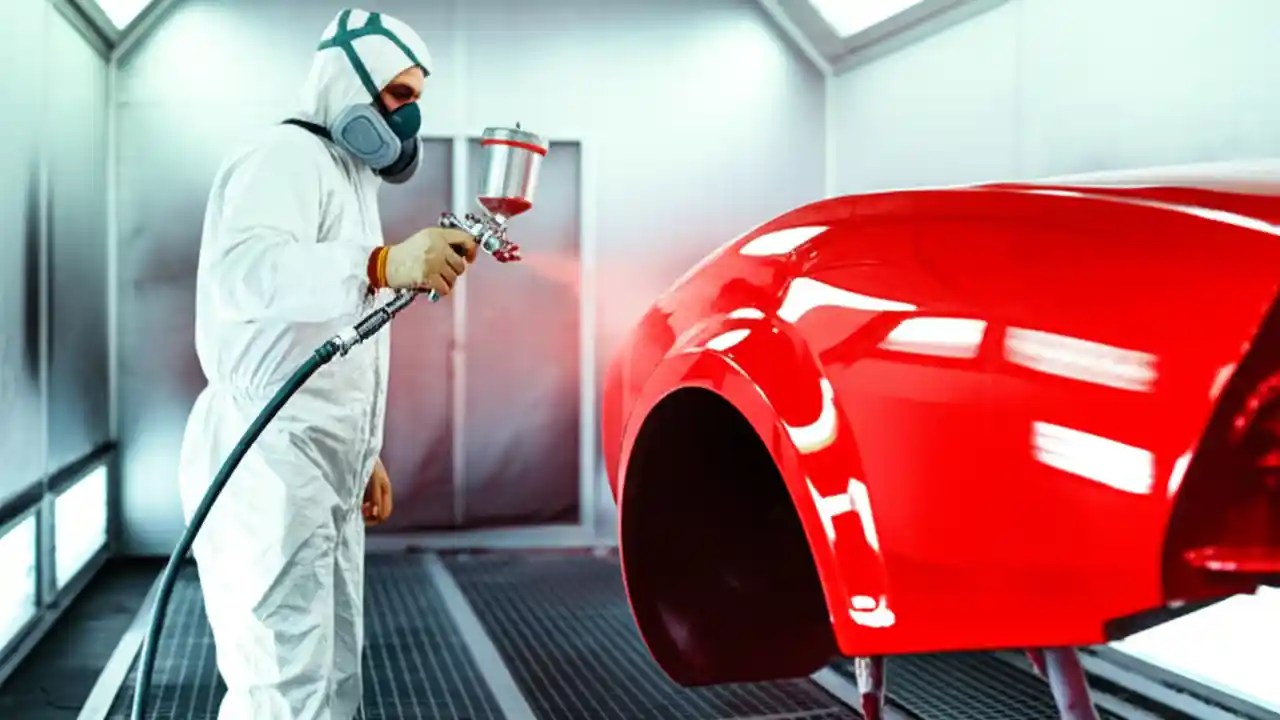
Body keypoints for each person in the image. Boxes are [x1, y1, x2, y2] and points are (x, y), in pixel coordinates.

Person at [175, 8, 474, 719]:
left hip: (318, 458)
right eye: (398, 98)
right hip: (267, 455)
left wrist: (362, 449)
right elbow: (245, 274)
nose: (407, 121)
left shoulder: (348, 175)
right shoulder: (281, 156)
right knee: (283, 683)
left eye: (415, 104)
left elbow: (331, 337)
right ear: (349, 86)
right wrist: (380, 262)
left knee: (333, 671)